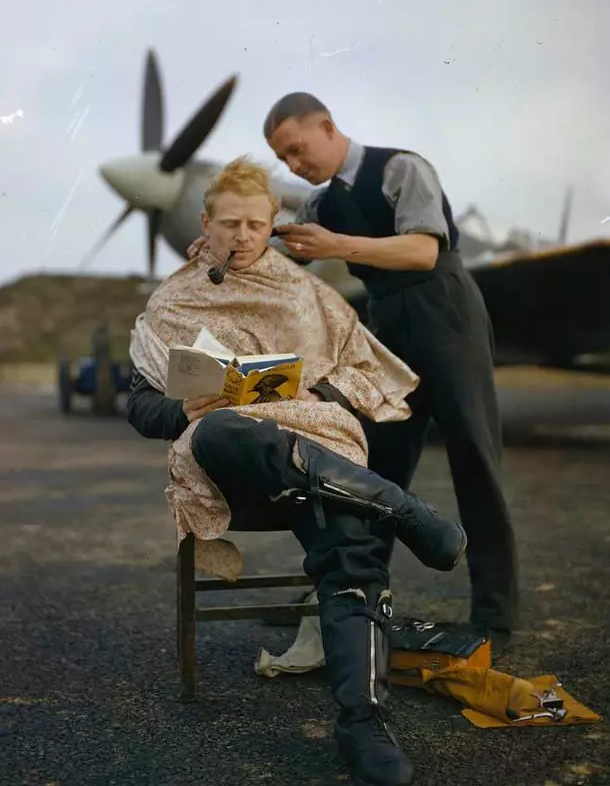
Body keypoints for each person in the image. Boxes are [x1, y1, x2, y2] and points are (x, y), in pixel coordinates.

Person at [128, 156, 467, 786]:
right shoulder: (171, 301)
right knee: (227, 427)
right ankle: (401, 507)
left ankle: (363, 722)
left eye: (257, 224)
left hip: (317, 450)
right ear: (206, 221)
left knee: (351, 545)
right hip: (228, 463)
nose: (243, 235)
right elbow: (140, 405)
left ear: (272, 224)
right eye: (230, 223)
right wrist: (183, 407)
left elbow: (366, 376)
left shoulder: (309, 293)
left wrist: (317, 397)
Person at [258, 93, 519, 657]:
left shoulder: (402, 167)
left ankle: (495, 617)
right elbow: (281, 254)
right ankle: (354, 603)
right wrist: (226, 244)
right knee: (373, 471)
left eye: (297, 151)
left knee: (473, 456)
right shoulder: (321, 205)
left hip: (444, 313)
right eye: (283, 161)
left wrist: (338, 246)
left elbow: (424, 251)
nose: (294, 167)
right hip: (384, 323)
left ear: (327, 127)